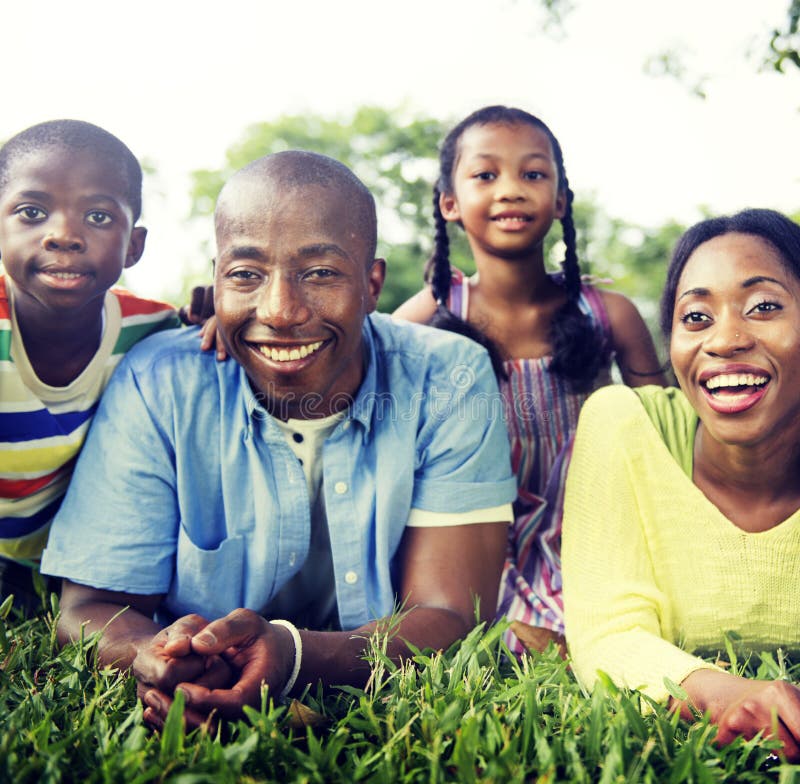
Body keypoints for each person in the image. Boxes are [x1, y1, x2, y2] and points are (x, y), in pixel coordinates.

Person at [40, 150, 517, 730]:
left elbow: (450, 613)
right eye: (245, 275)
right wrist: (163, 657)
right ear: (214, 282)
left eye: (319, 273)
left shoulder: (451, 378)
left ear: (371, 284)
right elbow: (91, 606)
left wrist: (293, 658)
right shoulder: (160, 380)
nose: (280, 311)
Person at [393, 106, 664, 656]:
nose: (511, 190)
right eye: (486, 175)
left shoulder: (608, 313)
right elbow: (348, 384)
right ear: (449, 203)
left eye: (533, 174)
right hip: (473, 532)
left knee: (618, 634)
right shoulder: (428, 316)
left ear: (560, 199)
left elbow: (667, 436)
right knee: (462, 635)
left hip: (591, 531)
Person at [562, 208, 800, 759]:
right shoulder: (624, 424)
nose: (726, 340)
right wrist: (734, 697)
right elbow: (607, 635)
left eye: (764, 307)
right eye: (696, 318)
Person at [0, 120, 180, 611]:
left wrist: (221, 316)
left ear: (134, 245)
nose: (63, 235)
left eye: (98, 217)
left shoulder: (155, 330)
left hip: (74, 568)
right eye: (32, 212)